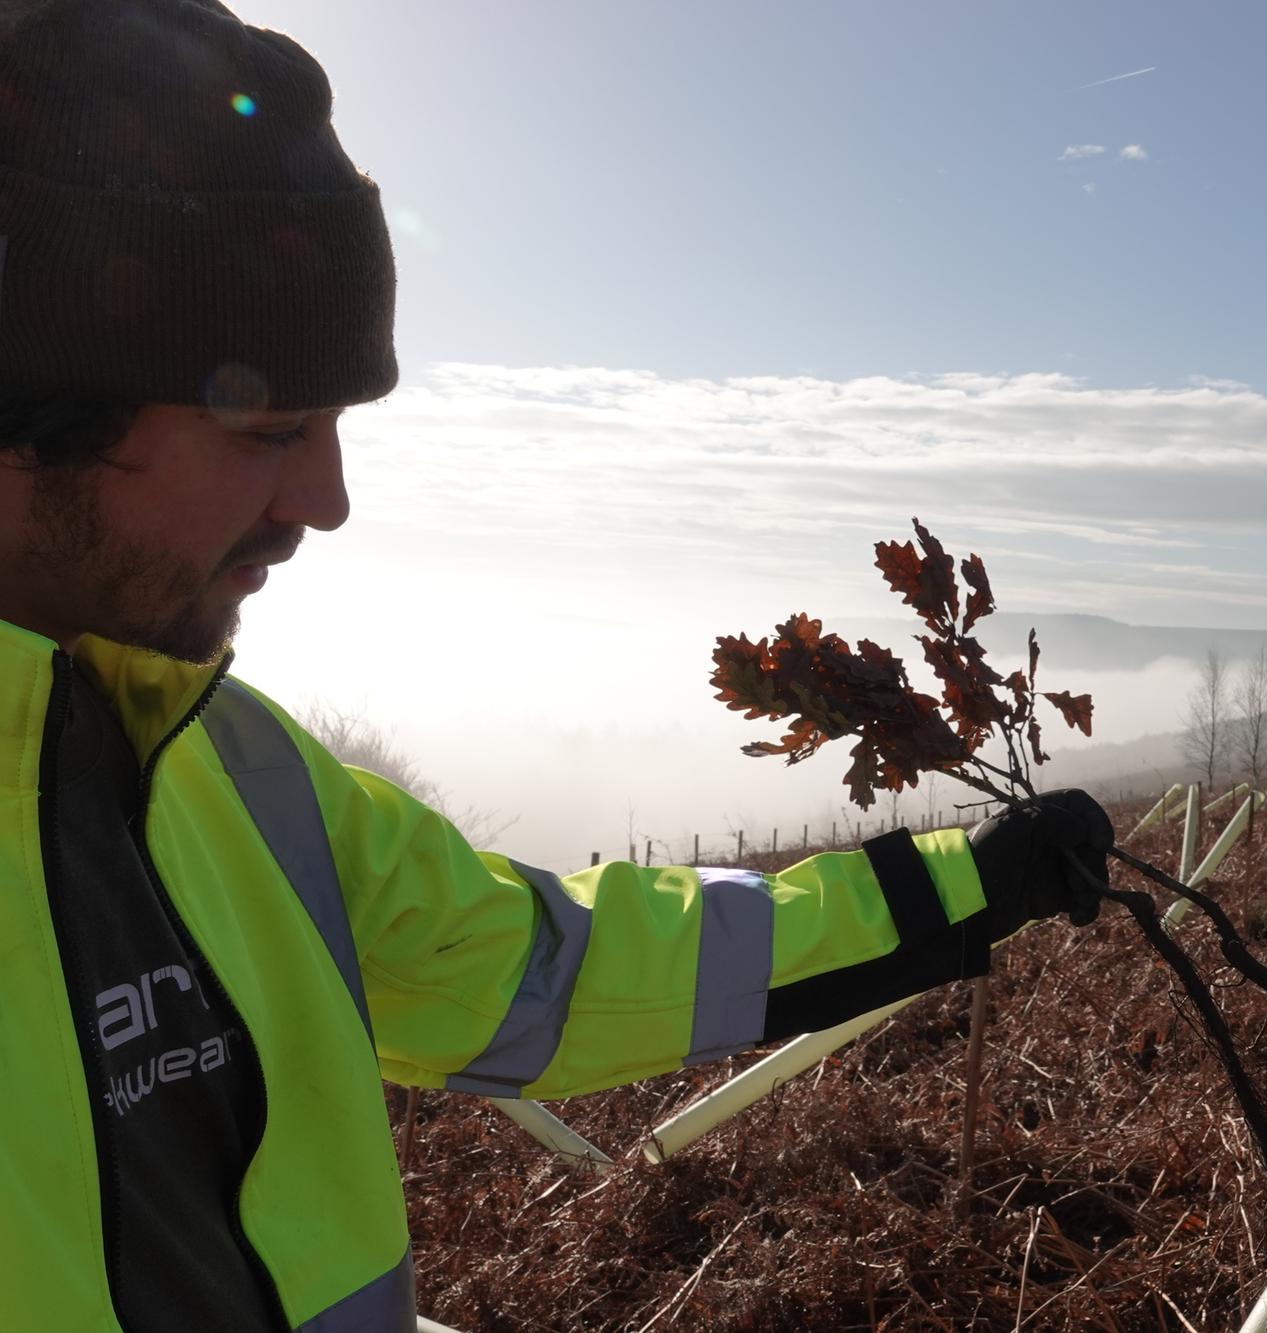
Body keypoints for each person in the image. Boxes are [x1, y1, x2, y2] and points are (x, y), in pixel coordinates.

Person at [0, 3, 1114, 1328]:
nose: (329, 497)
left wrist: (965, 884)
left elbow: (548, 965)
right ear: (30, 409)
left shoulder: (237, 771)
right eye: (270, 423)